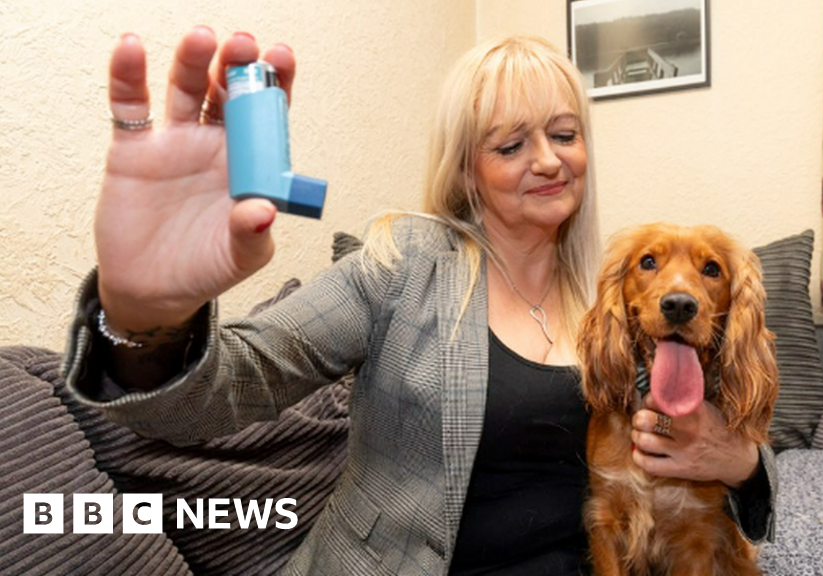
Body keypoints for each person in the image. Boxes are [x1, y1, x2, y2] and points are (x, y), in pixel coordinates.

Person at [63, 27, 775, 576]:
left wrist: (742, 465)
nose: (550, 160)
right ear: (466, 167)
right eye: (511, 144)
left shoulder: (613, 298)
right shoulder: (400, 267)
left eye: (564, 135)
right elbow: (221, 392)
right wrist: (142, 318)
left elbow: (701, 470)